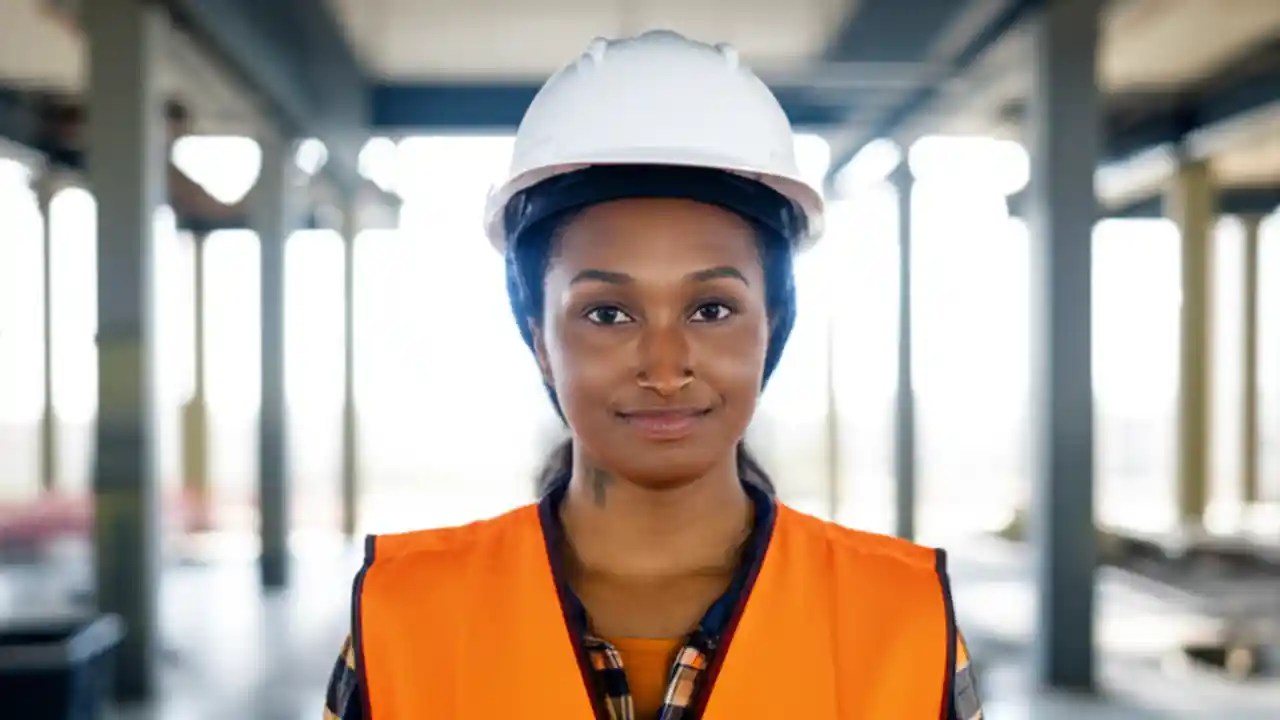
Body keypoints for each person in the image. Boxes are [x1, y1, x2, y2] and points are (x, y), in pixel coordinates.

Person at [325, 30, 982, 719]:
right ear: (539, 339)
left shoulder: (902, 617)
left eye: (711, 309)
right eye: (608, 313)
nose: (665, 369)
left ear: (774, 327)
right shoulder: (404, 617)